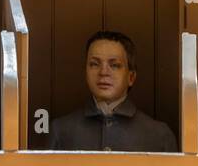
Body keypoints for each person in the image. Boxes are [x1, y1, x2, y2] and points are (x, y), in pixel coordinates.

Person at [48, 31, 177, 153]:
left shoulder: (159, 135)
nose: (103, 72)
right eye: (94, 64)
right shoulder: (61, 131)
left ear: (131, 77)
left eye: (114, 65)